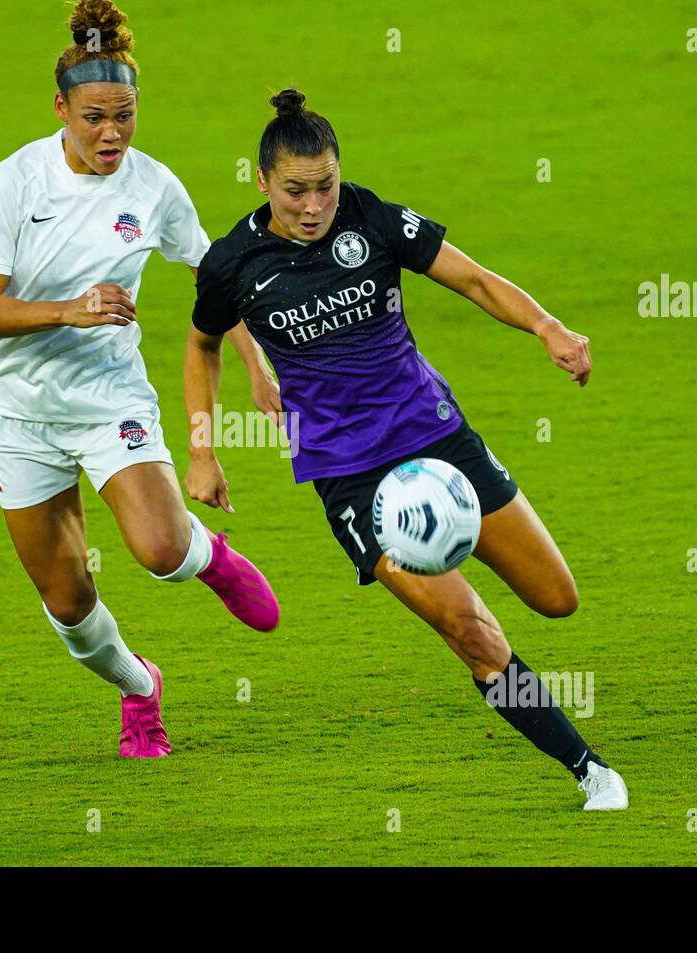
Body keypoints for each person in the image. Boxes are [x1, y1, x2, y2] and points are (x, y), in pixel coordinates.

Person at [184, 89, 628, 810]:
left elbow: (476, 279)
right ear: (262, 182)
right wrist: (204, 450)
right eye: (295, 190)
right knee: (471, 630)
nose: (313, 204)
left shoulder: (374, 219)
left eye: (325, 185)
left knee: (556, 598)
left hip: (437, 437)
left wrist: (547, 327)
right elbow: (202, 344)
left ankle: (576, 753)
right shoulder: (234, 262)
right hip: (352, 478)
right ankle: (589, 770)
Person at [0, 0, 280, 760]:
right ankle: (140, 689)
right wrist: (69, 309)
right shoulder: (16, 182)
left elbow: (215, 277)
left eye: (125, 116)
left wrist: (254, 365)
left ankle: (211, 556)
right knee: (67, 602)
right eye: (94, 117)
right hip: (14, 413)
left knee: (161, 551)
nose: (111, 134)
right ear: (61, 108)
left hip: (108, 399)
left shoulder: (154, 188)